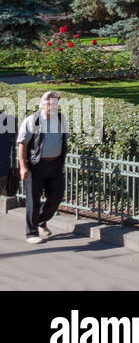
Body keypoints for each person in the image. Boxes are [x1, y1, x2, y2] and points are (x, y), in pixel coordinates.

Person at [16, 91, 68, 244]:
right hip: (35, 165)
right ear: (42, 104)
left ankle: (40, 220)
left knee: (56, 197)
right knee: (33, 200)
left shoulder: (61, 120)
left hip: (55, 165)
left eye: (55, 103)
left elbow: (63, 141)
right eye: (50, 103)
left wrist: (62, 162)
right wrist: (23, 166)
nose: (52, 106)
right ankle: (31, 233)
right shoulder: (32, 120)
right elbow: (22, 144)